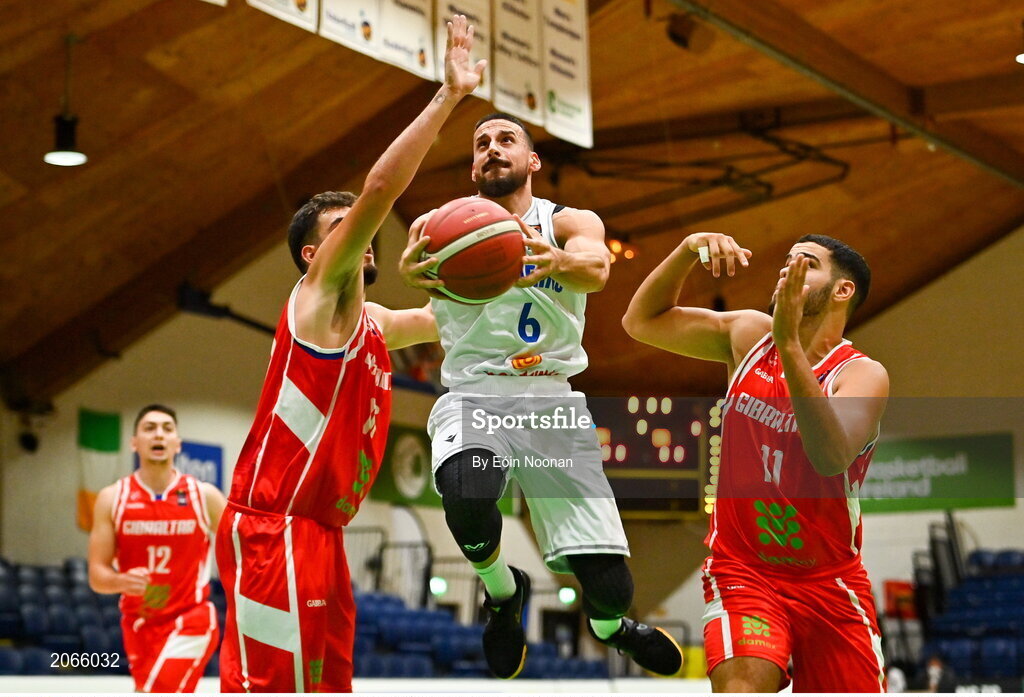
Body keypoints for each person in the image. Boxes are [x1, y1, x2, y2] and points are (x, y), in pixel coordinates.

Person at [213, 16, 484, 694]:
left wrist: (535, 271)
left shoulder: (374, 324)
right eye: (342, 228)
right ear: (316, 253)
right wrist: (448, 97)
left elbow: (454, 322)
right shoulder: (317, 299)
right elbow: (380, 192)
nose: (360, 232)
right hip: (272, 527)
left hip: (325, 535)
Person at [399, 113, 684, 679]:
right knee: (467, 490)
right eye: (481, 144)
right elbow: (416, 291)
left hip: (552, 401)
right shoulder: (435, 226)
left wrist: (554, 261)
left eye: (507, 140)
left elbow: (598, 267)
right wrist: (411, 273)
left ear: (532, 161)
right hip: (474, 393)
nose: (492, 149)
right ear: (473, 166)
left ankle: (611, 628)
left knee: (608, 586)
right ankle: (503, 593)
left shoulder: (567, 221)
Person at [623, 233, 889, 692]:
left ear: (841, 290)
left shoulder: (861, 374)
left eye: (805, 263)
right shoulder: (748, 335)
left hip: (830, 581)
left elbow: (829, 459)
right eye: (786, 261)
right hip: (744, 572)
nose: (787, 270)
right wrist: (687, 251)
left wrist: (788, 344)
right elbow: (640, 321)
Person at [88, 404, 226, 693]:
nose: (158, 435)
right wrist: (120, 581)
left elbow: (245, 551)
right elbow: (97, 575)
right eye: (149, 428)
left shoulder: (204, 496)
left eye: (167, 428)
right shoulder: (113, 498)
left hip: (191, 619)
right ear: (134, 443)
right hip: (139, 623)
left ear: (177, 444)